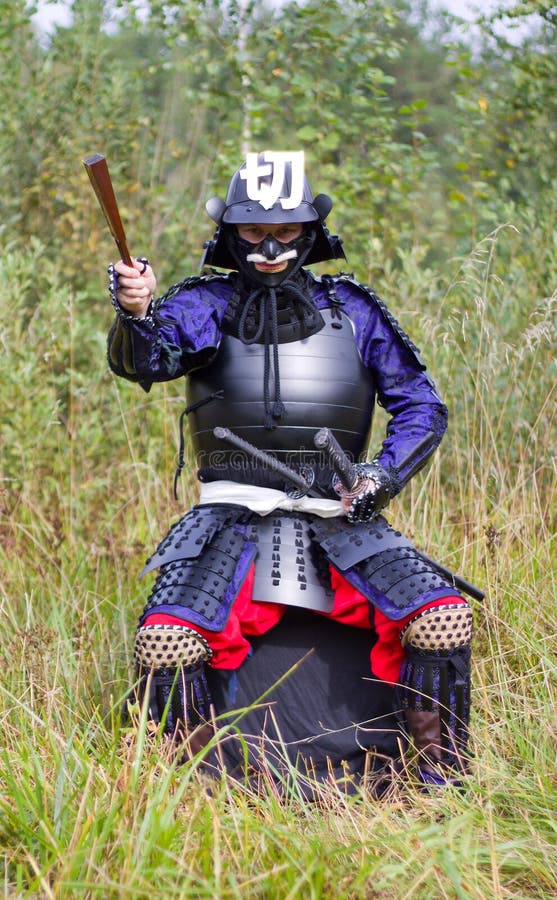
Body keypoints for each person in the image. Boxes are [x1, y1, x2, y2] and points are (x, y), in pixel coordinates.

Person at [107, 150, 477, 791]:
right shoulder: (204, 304)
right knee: (166, 641)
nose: (271, 248)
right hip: (230, 518)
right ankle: (187, 790)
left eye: (285, 232)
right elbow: (148, 359)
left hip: (338, 517)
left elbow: (421, 405)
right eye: (254, 232)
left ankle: (436, 784)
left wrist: (379, 477)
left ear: (310, 231)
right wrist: (136, 312)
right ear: (230, 233)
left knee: (442, 618)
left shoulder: (353, 308)